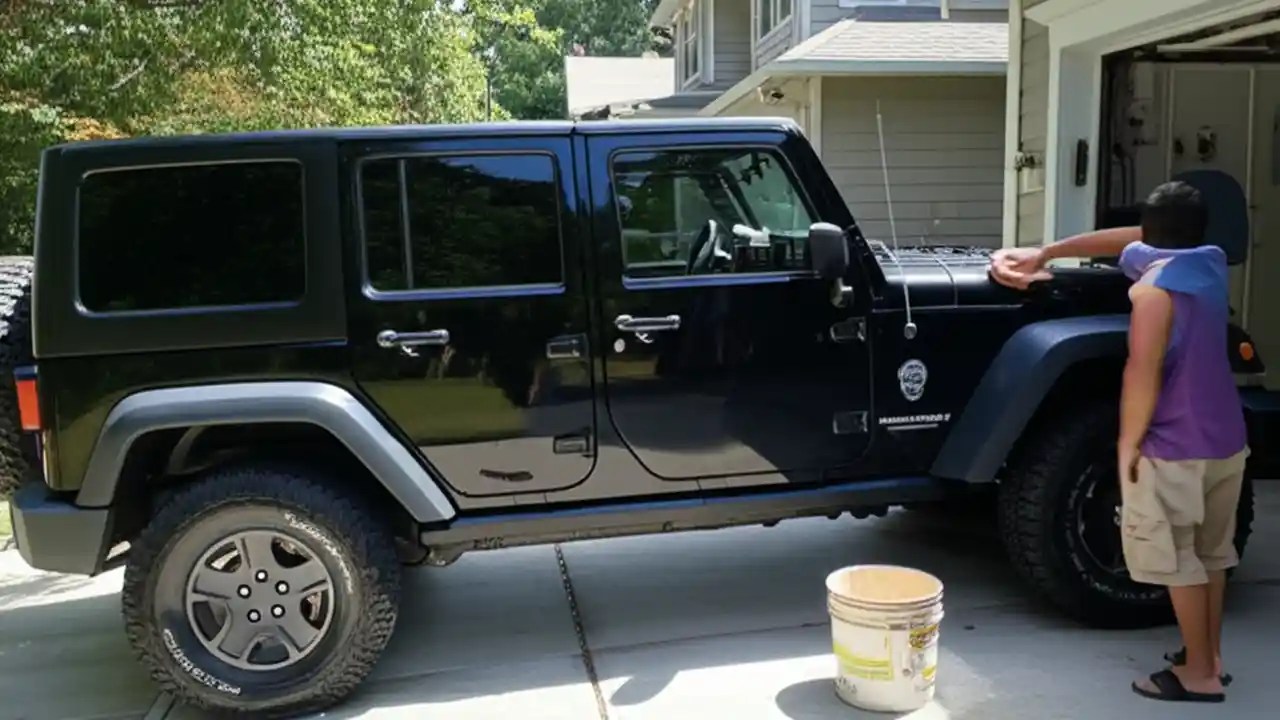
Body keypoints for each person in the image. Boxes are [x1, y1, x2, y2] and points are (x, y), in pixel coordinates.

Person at [989, 181, 1248, 704]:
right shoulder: (1210, 260)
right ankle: (1209, 658)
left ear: (1152, 233)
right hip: (1227, 441)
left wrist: (1128, 446)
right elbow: (1130, 239)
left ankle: (1197, 676)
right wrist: (1049, 252)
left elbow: (1141, 373)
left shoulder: (1154, 292)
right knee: (1212, 556)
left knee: (1177, 563)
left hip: (1176, 446)